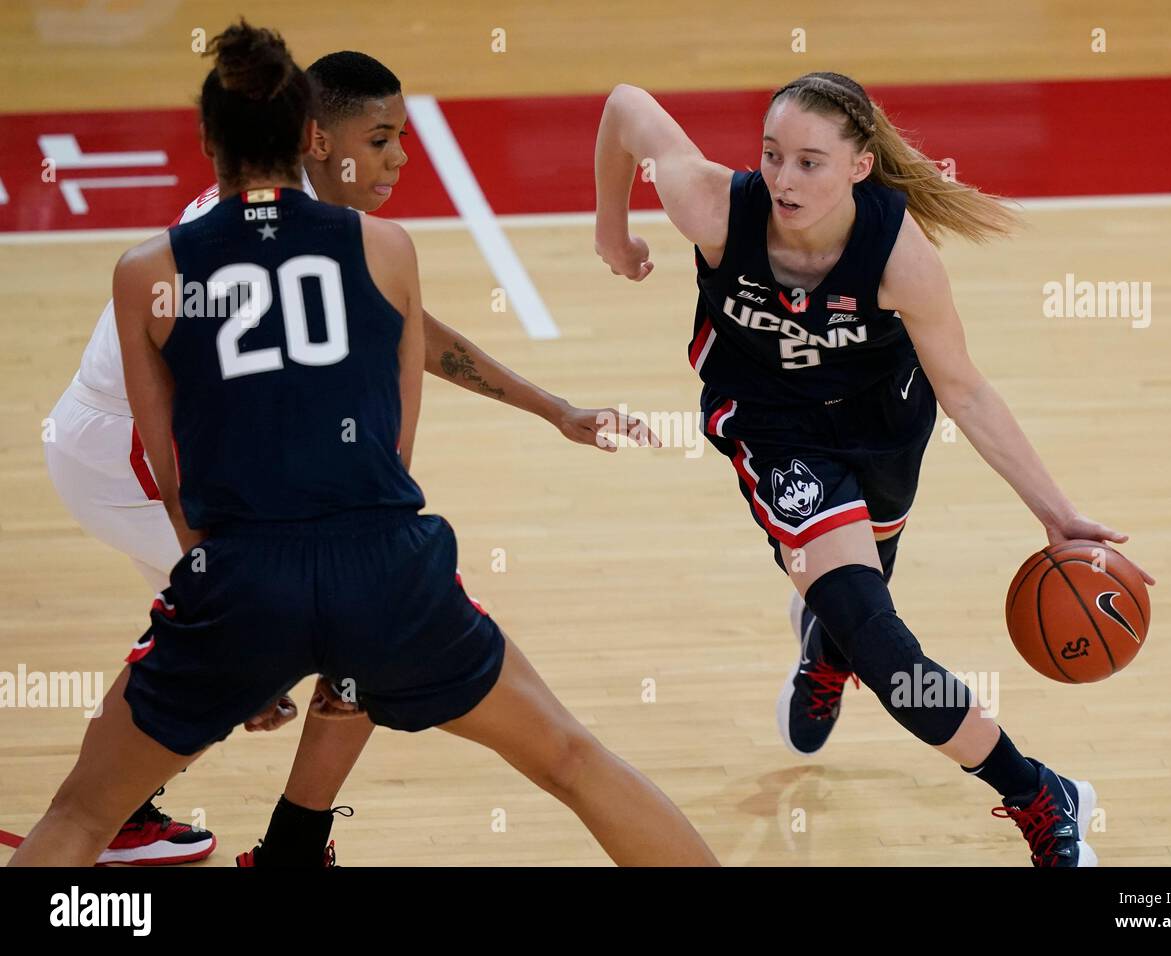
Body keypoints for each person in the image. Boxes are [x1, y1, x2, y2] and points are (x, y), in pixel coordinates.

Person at [13, 20, 715, 868]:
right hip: (119, 447)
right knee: (392, 643)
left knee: (265, 646)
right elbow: (358, 434)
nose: (398, 161)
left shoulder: (183, 260)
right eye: (380, 140)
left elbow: (403, 339)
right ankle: (214, 808)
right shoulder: (366, 249)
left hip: (227, 506)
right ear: (311, 137)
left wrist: (549, 406)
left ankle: (275, 835)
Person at [592, 73, 1156, 866]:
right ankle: (1036, 792)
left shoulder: (901, 257)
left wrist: (1055, 513)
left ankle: (828, 651)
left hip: (882, 427)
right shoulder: (717, 206)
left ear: (860, 165)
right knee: (885, 646)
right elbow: (624, 106)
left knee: (860, 615)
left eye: (811, 162)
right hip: (775, 433)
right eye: (772, 155)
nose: (783, 179)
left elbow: (964, 387)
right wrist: (610, 230)